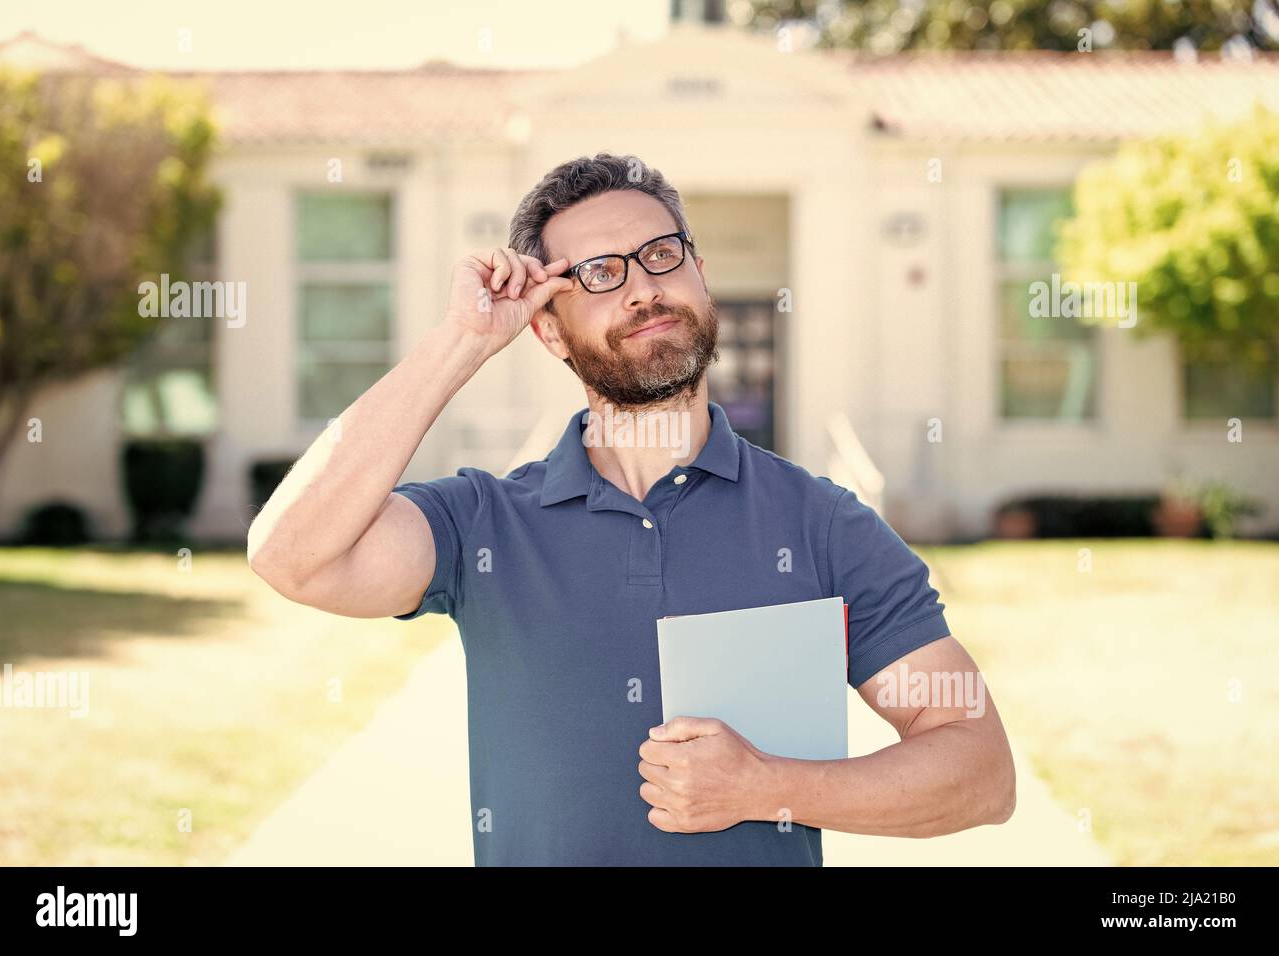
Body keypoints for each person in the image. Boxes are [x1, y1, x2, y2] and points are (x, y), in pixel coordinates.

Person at [247, 151, 1016, 865]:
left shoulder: (824, 525)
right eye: (601, 272)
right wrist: (463, 341)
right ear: (547, 328)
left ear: (700, 275)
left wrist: (764, 784)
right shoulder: (482, 525)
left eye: (660, 254)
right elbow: (291, 555)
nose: (643, 287)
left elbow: (980, 770)